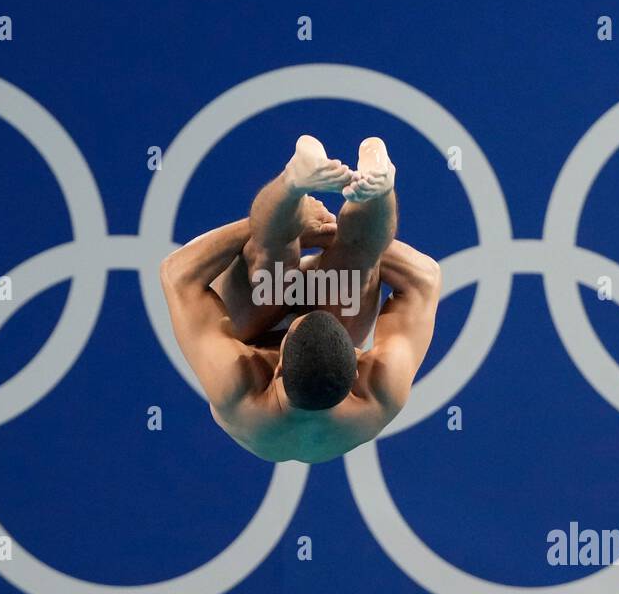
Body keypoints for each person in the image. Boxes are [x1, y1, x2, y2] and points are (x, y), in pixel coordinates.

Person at [160, 135, 442, 463]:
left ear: (277, 367)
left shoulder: (236, 387)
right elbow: (423, 279)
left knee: (271, 255)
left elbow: (176, 273)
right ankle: (377, 190)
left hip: (255, 324)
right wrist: (336, 232)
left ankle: (293, 180)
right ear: (355, 369)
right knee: (361, 256)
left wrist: (270, 227)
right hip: (334, 304)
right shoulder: (378, 393)